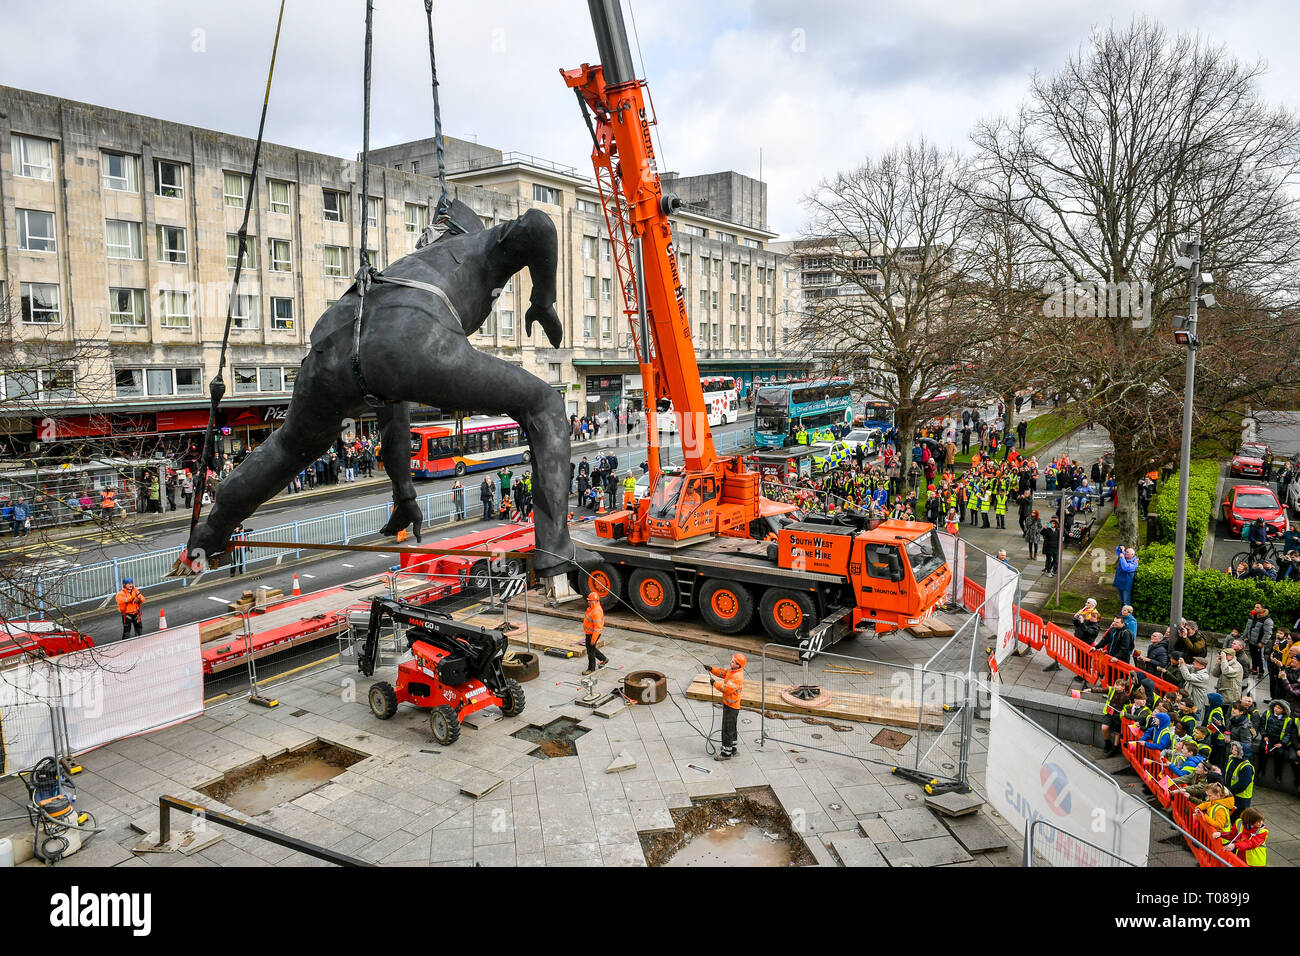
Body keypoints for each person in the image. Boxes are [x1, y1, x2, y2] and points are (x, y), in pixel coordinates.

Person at [709, 652, 746, 761]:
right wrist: (711, 669)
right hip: (731, 705)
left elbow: (726, 689)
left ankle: (726, 753)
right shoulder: (733, 670)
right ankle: (732, 747)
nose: (731, 662)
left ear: (738, 665)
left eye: (733, 661)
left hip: (731, 707)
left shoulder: (737, 677)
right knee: (732, 728)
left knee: (727, 729)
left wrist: (714, 683)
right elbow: (722, 672)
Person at [1256, 700, 1294, 784]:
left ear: (1283, 711)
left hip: (1278, 741)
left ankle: (1278, 775)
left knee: (1280, 754)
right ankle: (1261, 770)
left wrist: (1282, 743)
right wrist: (1264, 735)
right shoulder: (1267, 714)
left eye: (1279, 708)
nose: (1276, 709)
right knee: (1263, 749)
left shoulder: (1288, 720)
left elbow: (1288, 734)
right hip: (1268, 739)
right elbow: (1262, 725)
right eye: (1275, 706)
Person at [1242, 604, 1274, 678]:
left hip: (1259, 643)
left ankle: (1261, 672)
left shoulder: (1267, 620)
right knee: (1253, 656)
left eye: (1257, 607)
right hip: (1251, 640)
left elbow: (1268, 633)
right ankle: (1254, 669)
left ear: (1263, 609)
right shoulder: (1253, 616)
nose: (1255, 608)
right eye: (1255, 607)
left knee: (1260, 658)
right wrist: (1245, 636)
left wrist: (1262, 642)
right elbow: (1248, 627)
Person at [582, 591, 608, 676]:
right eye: (588, 600)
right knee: (591, 648)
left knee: (590, 651)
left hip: (592, 634)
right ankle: (603, 659)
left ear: (596, 601)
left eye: (590, 600)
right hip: (590, 633)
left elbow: (597, 628)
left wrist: (593, 639)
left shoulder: (596, 611)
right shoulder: (592, 608)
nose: (588, 602)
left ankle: (591, 669)